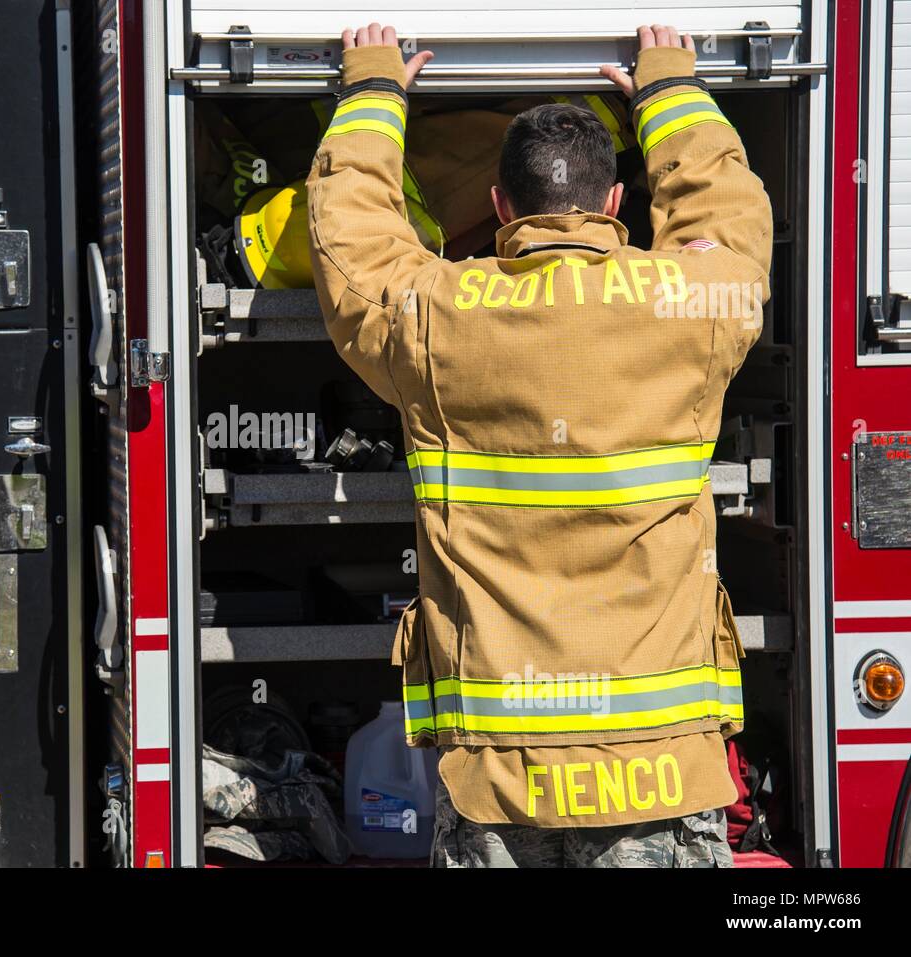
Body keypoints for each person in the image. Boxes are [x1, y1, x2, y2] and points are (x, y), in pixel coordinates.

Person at [307, 22, 771, 867]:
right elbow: (729, 222)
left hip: (497, 781)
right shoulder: (692, 307)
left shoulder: (435, 316)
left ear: (497, 208)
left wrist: (372, 95)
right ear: (616, 205)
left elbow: (352, 247)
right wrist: (671, 95)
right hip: (664, 774)